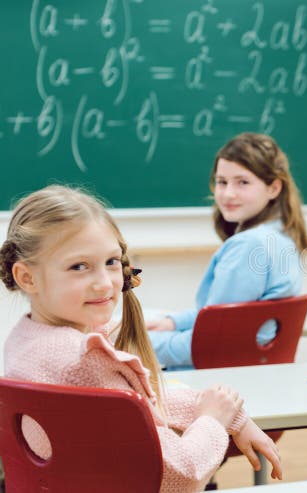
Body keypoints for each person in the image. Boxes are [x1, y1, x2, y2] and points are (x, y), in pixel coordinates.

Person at [0, 185, 283, 491]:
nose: (104, 283)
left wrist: (229, 413)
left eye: (110, 262)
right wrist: (213, 421)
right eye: (79, 267)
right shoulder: (86, 358)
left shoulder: (25, 341)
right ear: (26, 277)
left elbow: (137, 407)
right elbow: (181, 474)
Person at [147, 133, 307, 369]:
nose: (227, 194)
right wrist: (173, 322)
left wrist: (138, 343)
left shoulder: (249, 246)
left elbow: (213, 343)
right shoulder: (281, 237)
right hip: (246, 368)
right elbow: (221, 317)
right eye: (222, 182)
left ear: (274, 188)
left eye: (242, 182)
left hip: (217, 375)